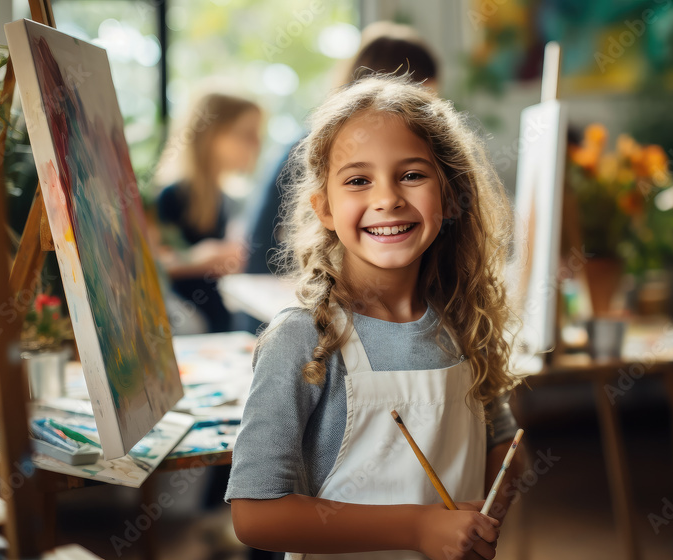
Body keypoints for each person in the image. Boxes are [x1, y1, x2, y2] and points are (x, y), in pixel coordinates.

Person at [226, 75, 527, 560]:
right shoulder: (303, 338)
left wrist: (485, 513)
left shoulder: (467, 321)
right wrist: (418, 529)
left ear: (450, 196)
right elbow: (254, 515)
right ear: (323, 207)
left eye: (411, 175)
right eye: (358, 180)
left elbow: (505, 444)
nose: (387, 198)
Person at [240, 22, 439, 333]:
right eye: (424, 98)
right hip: (273, 314)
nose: (431, 115)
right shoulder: (319, 150)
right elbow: (263, 255)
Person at [153, 92, 261, 333]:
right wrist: (202, 257)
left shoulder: (228, 199)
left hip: (220, 322)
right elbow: (156, 263)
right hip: (186, 324)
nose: (256, 144)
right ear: (211, 134)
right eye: (246, 134)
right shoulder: (172, 196)